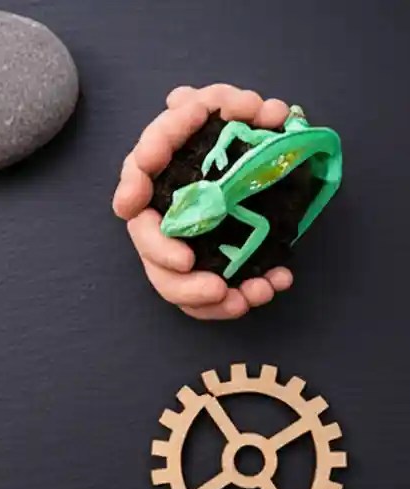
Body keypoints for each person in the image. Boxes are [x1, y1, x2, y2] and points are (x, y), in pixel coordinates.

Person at [112, 84, 296, 320]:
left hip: (286, 157)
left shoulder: (231, 206)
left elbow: (263, 226)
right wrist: (217, 143)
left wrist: (241, 255)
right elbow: (235, 126)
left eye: (198, 226)